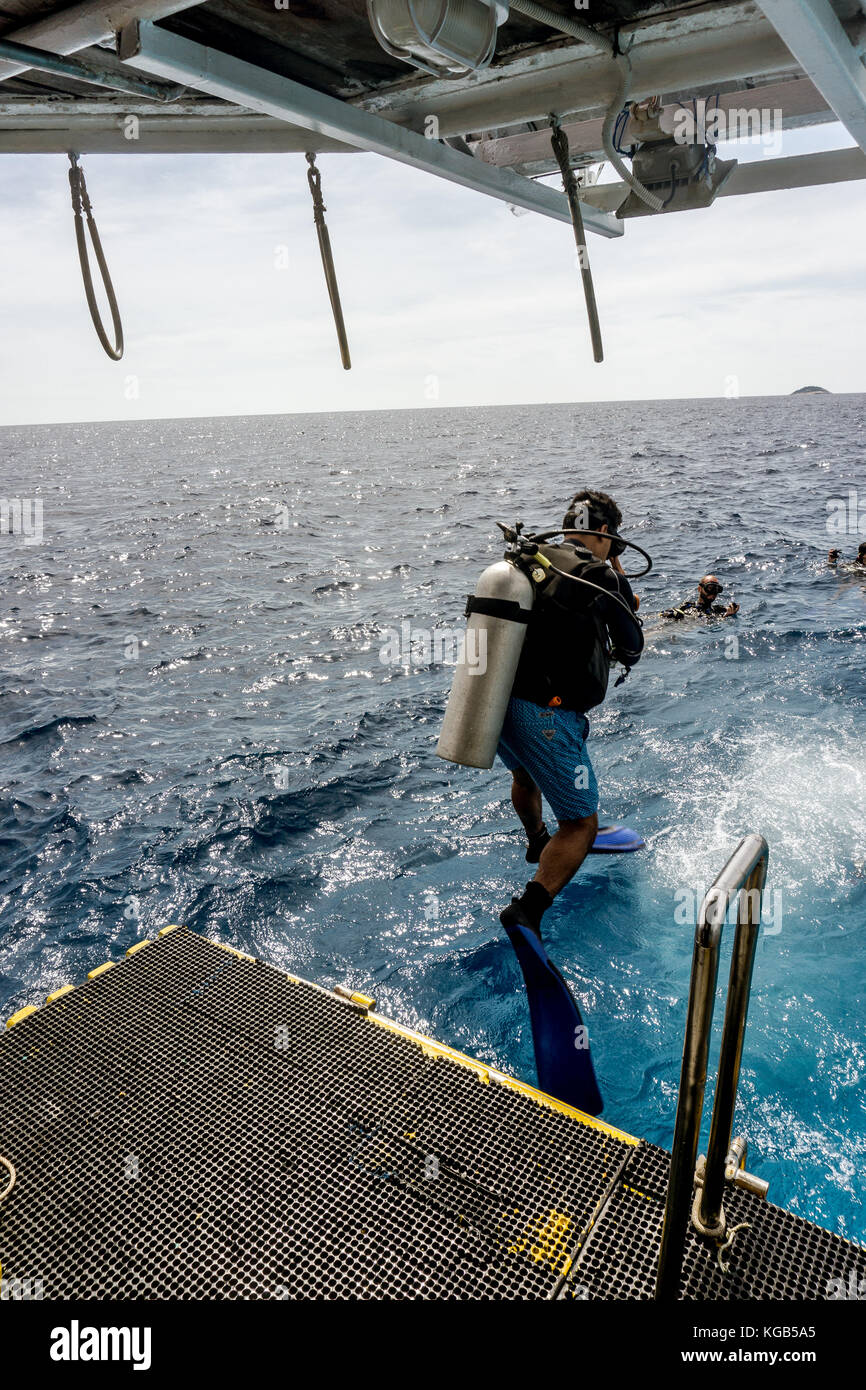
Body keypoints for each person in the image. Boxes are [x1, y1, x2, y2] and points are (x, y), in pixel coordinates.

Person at [498, 490, 644, 939]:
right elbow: (632, 646)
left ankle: (537, 842)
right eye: (613, 539)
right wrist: (615, 569)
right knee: (582, 824)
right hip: (546, 716)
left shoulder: (534, 560)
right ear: (603, 532)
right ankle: (528, 911)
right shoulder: (599, 576)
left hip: (500, 705)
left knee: (526, 778)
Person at [662, 574, 739, 620]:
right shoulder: (687, 606)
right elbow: (661, 616)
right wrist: (667, 614)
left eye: (717, 590)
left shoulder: (718, 610)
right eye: (710, 588)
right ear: (699, 589)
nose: (713, 593)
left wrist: (728, 615)